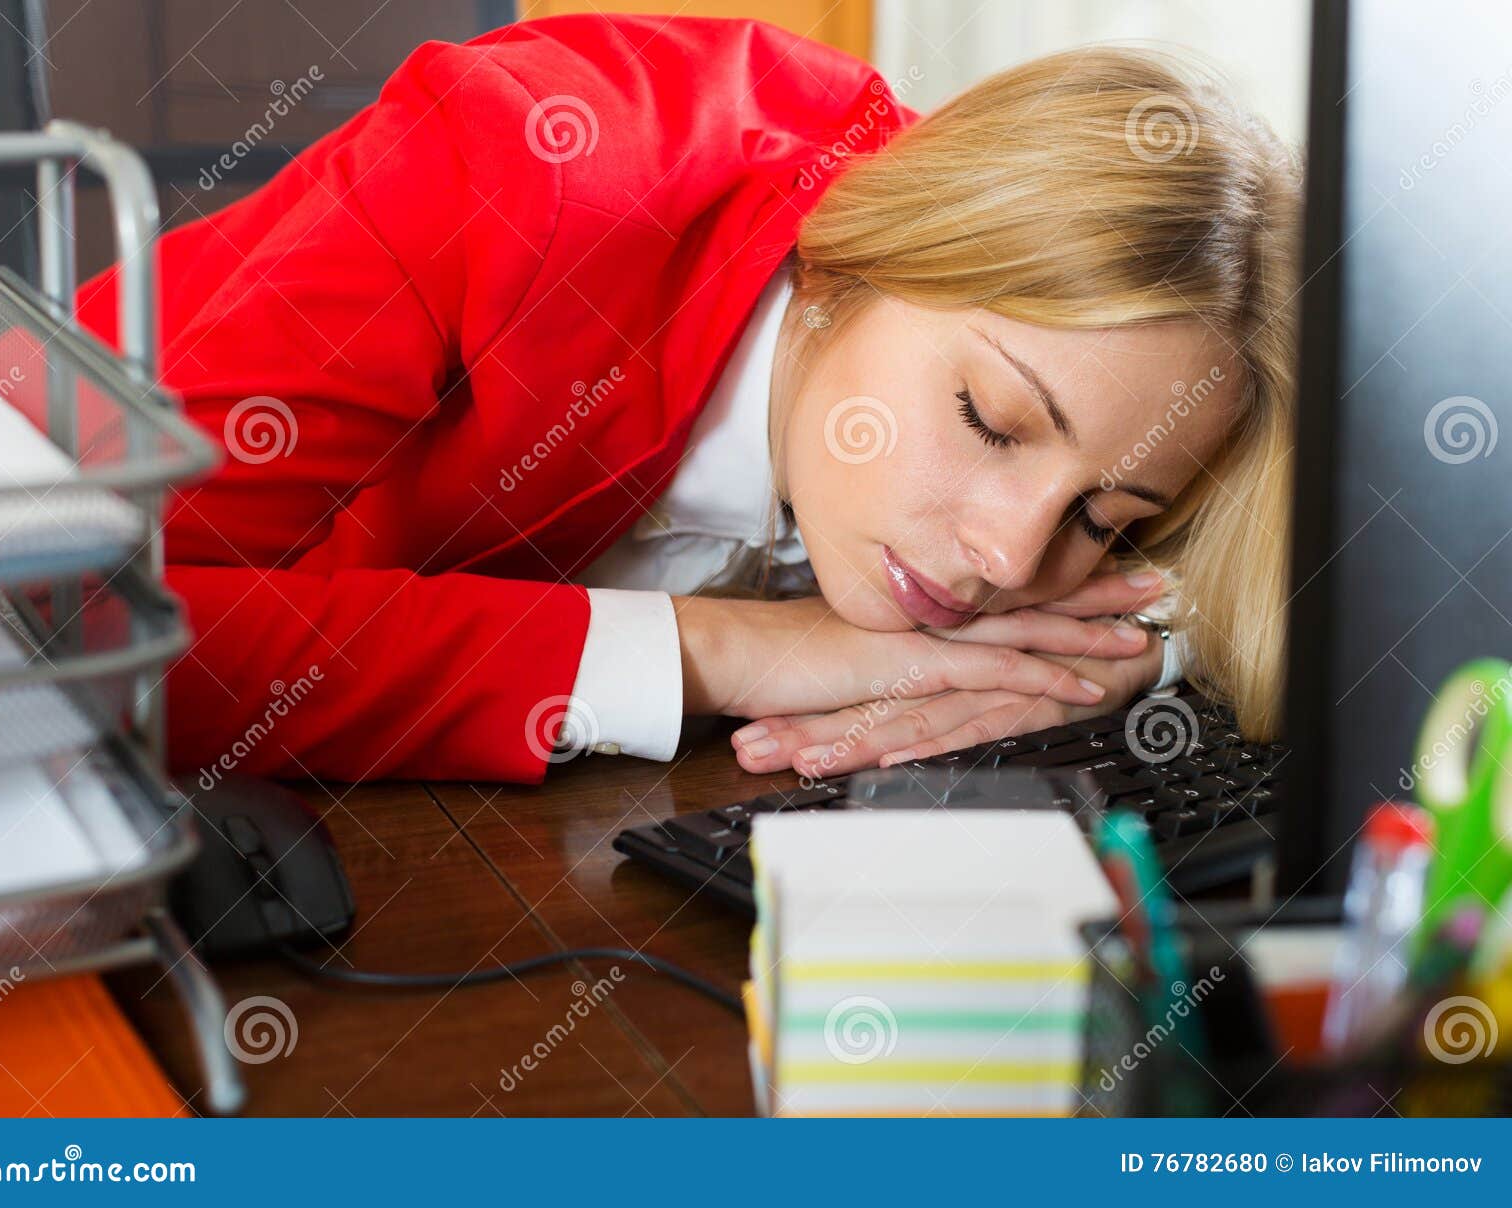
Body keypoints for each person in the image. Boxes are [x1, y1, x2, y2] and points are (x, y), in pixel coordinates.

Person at [76, 14, 1298, 785]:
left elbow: (1259, 570)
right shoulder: (526, 168)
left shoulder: (1068, 350)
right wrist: (722, 649)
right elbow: (69, 634)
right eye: (989, 421)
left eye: (1104, 518)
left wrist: (1115, 656)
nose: (1008, 556)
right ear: (851, 263)